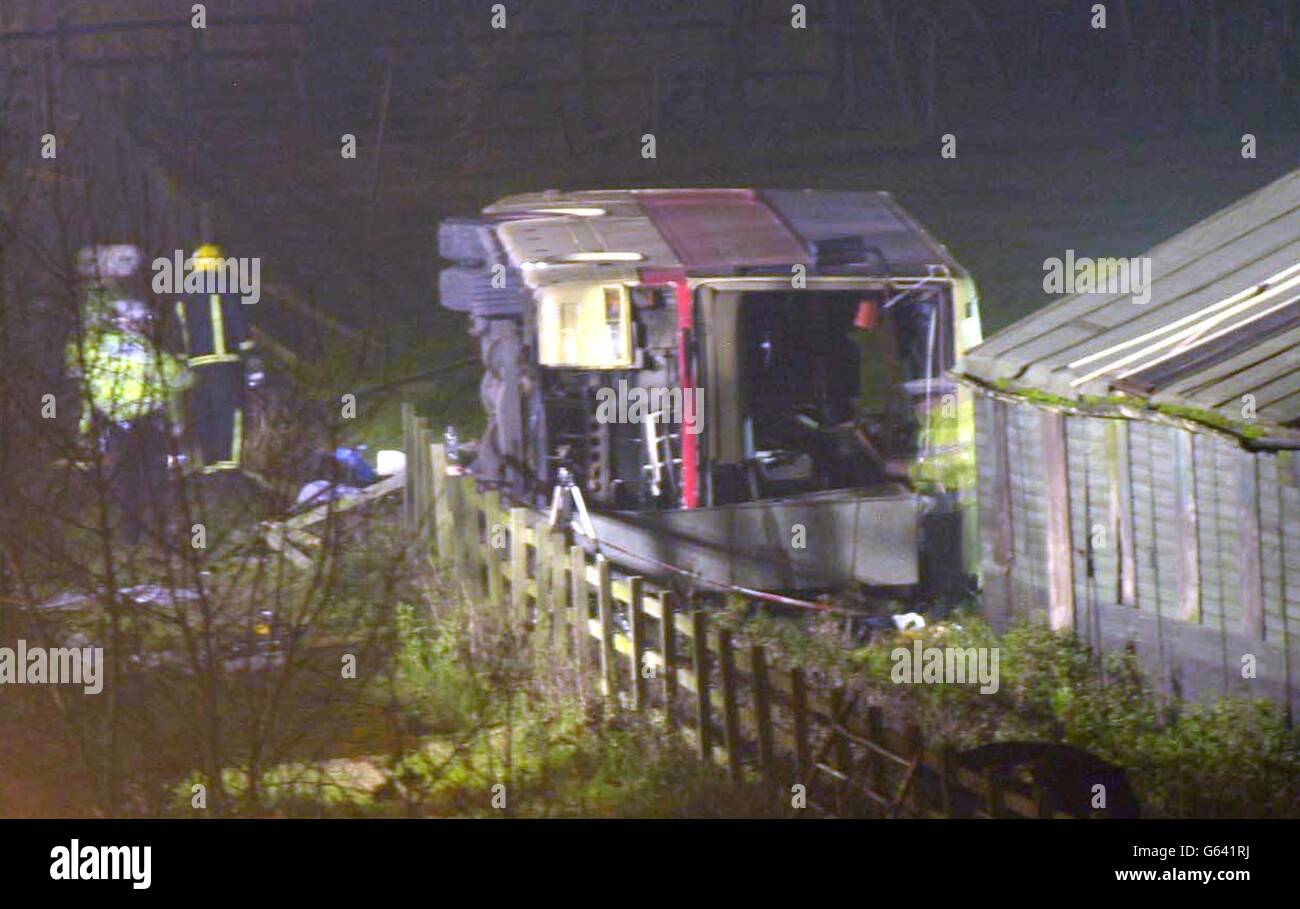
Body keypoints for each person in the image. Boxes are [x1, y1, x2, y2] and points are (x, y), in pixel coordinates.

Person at [67, 298, 189, 543]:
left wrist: (84, 427)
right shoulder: (148, 351)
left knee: (124, 485)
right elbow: (178, 380)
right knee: (155, 482)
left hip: (115, 427)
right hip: (148, 424)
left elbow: (87, 389)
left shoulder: (97, 352)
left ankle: (129, 537)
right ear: (135, 322)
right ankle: (159, 535)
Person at [170, 243, 255, 475]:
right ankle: (229, 463)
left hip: (197, 365)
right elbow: (236, 318)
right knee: (228, 410)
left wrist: (182, 359)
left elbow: (178, 331)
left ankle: (210, 463)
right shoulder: (225, 286)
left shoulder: (184, 294)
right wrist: (248, 349)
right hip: (224, 360)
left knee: (203, 412)